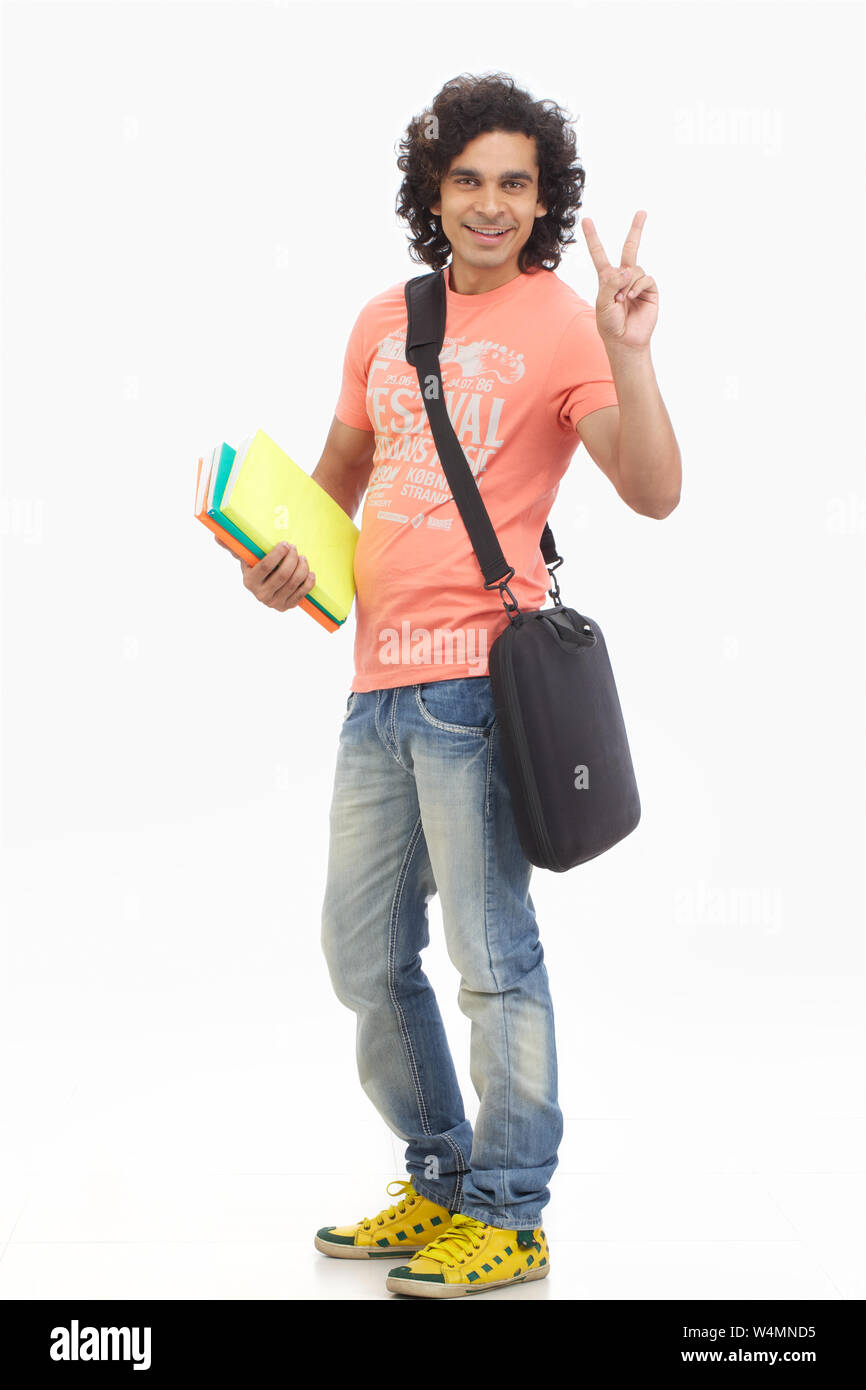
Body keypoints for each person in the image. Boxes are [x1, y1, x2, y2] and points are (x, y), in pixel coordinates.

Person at [216, 71, 681, 1299]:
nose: (487, 204)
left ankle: (511, 1213)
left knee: (490, 956)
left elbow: (650, 487)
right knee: (358, 951)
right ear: (433, 190)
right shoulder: (382, 318)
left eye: (513, 184)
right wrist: (286, 568)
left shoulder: (561, 322)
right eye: (466, 179)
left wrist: (629, 353)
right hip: (376, 687)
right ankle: (436, 1178)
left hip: (478, 684)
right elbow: (333, 490)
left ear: (542, 202)